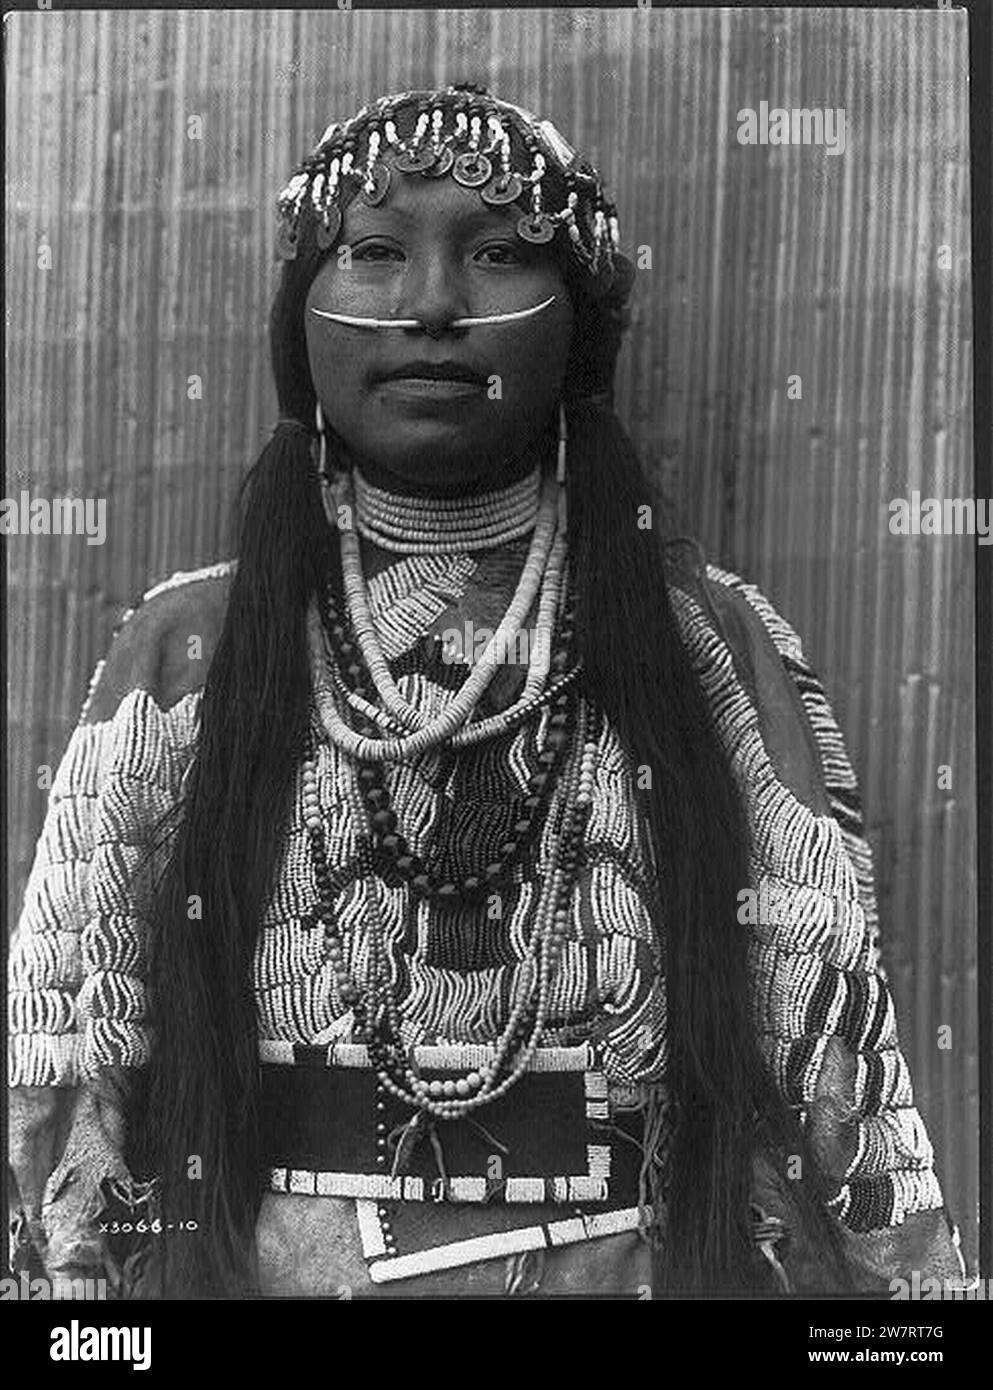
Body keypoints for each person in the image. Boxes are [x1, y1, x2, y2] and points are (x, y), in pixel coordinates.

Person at [7, 82, 965, 1299]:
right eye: (373, 253)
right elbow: (69, 1054)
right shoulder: (186, 652)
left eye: (500, 253)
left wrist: (912, 1304)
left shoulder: (701, 645)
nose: (431, 305)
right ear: (302, 317)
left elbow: (834, 1053)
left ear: (577, 328)